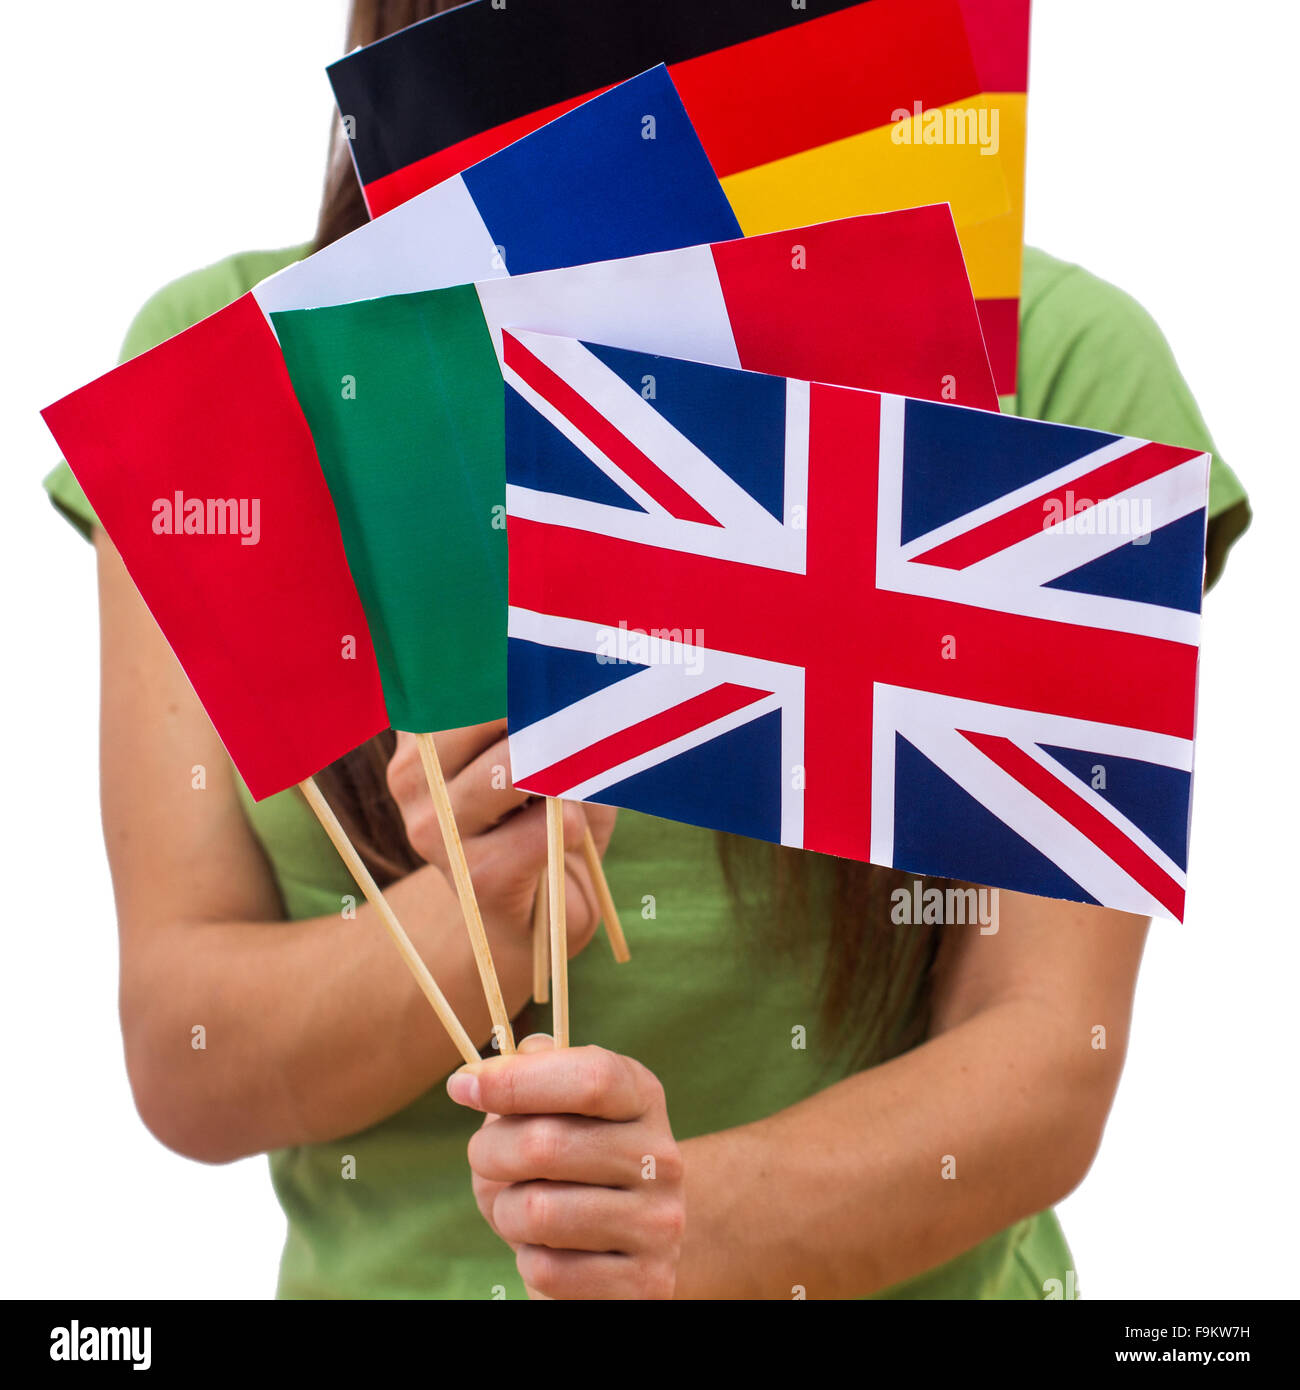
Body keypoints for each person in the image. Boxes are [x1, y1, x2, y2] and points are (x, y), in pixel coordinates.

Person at [44, 0, 1250, 1300]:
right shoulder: (230, 375)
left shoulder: (1056, 365)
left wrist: (678, 1225)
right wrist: (483, 919)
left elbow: (1045, 1055)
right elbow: (188, 1055)